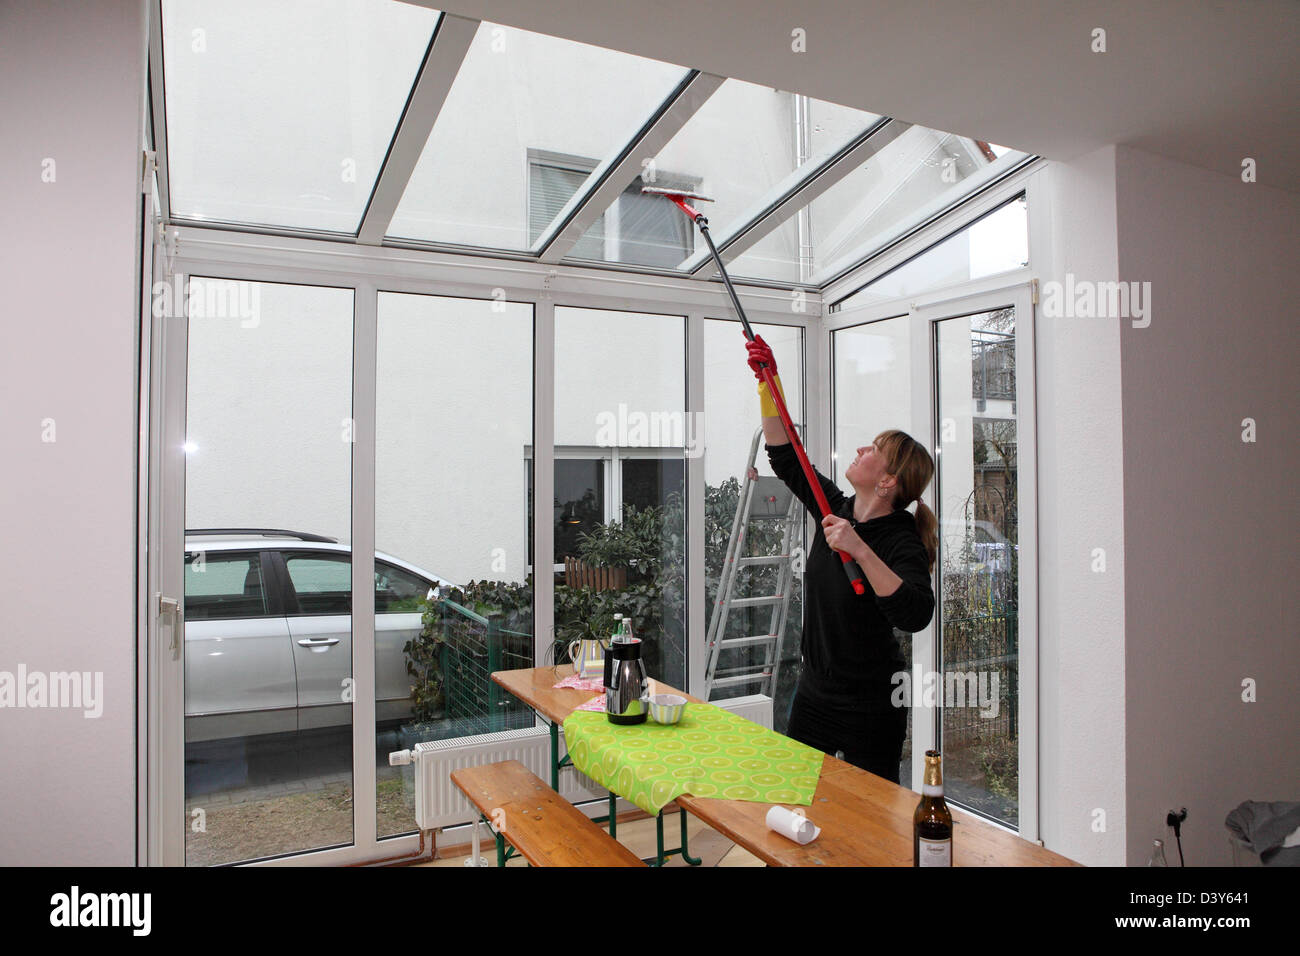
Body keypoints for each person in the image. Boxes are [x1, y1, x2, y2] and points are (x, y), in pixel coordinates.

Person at [746, 334, 937, 784]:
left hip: (872, 703)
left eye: (873, 450)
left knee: (871, 817)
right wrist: (768, 384)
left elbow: (915, 612)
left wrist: (859, 549)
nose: (860, 451)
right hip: (814, 693)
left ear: (888, 482)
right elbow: (786, 457)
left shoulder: (900, 539)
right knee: (798, 796)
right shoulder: (835, 507)